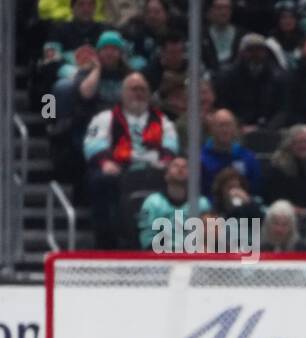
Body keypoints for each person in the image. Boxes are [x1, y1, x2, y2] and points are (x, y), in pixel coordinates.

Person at [82, 71, 178, 248]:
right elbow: (93, 145)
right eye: (133, 89)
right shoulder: (105, 118)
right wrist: (106, 163)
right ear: (123, 93)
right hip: (119, 168)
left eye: (142, 89)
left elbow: (171, 146)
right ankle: (108, 245)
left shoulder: (162, 120)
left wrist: (165, 162)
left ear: (149, 94)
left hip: (154, 168)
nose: (138, 93)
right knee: (100, 180)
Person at [137, 155, 210, 251]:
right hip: (160, 258)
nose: (180, 168)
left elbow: (209, 237)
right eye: (175, 166)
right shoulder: (152, 203)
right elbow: (147, 238)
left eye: (185, 167)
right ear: (166, 175)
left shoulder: (202, 204)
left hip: (194, 258)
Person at [199, 108, 262, 198]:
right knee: (179, 210)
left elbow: (255, 191)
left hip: (241, 206)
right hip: (208, 208)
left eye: (228, 125)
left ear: (235, 129)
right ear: (211, 129)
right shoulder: (200, 158)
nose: (225, 130)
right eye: (220, 125)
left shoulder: (248, 157)